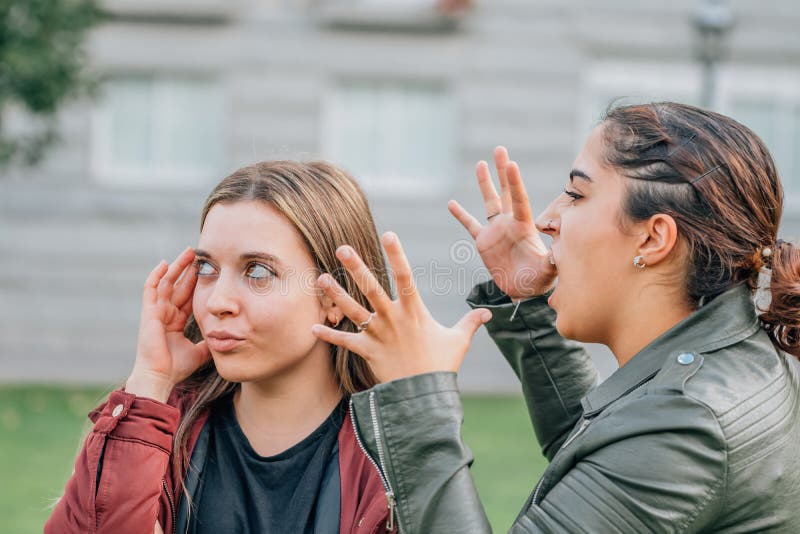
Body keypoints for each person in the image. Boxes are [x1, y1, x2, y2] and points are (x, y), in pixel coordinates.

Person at [312, 102, 800, 532]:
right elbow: (603, 463)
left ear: (653, 238)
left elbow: (637, 457)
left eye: (577, 195)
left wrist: (418, 393)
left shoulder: (689, 425)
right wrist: (530, 301)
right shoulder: (729, 361)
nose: (546, 220)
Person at [45, 161, 470, 533]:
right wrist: (149, 382)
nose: (217, 302)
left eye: (258, 272)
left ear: (333, 298)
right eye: (207, 267)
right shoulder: (158, 434)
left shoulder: (390, 458)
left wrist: (422, 409)